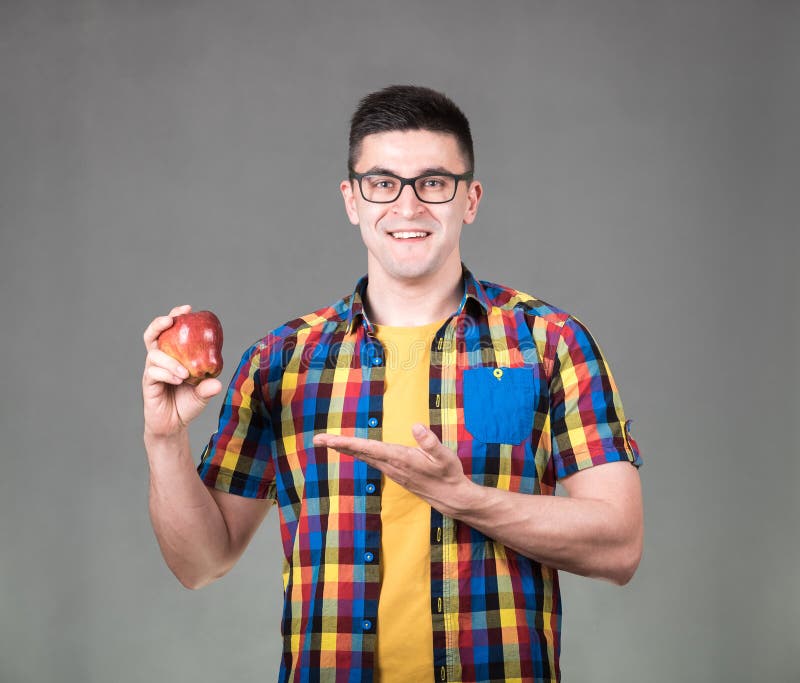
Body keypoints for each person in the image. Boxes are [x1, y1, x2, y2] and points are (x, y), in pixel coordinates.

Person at [142, 85, 643, 683]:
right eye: (383, 183)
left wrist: (466, 500)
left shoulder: (550, 343)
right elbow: (200, 563)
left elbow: (619, 545)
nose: (408, 207)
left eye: (434, 182)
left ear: (471, 199)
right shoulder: (279, 362)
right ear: (351, 199)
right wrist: (164, 440)